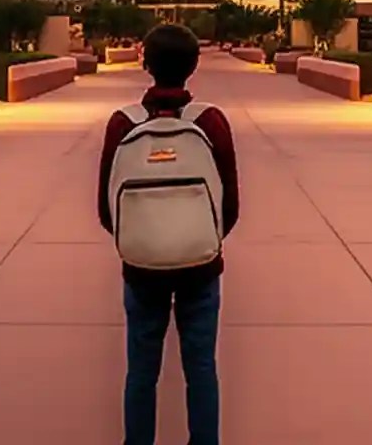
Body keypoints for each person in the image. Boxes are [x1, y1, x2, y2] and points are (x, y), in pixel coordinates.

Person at [97, 23, 240, 445]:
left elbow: (106, 207)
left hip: (141, 269)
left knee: (141, 371)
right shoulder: (211, 121)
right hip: (201, 267)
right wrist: (202, 240)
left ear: (145, 62)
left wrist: (141, 242)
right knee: (201, 370)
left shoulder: (123, 123)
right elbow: (229, 205)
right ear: (194, 66)